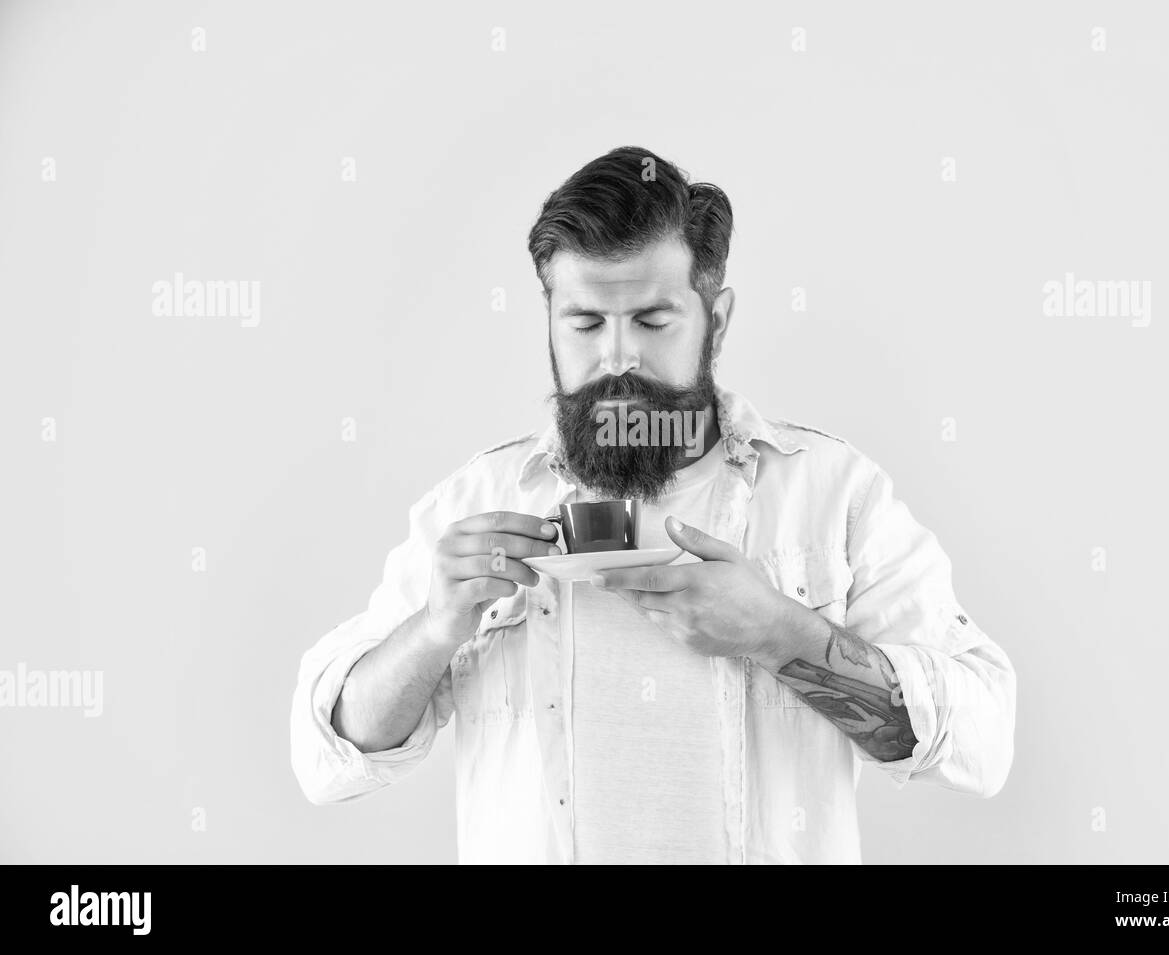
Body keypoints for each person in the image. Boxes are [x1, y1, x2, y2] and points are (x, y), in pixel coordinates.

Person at [290, 146, 1017, 864]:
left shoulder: (831, 493)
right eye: (585, 323)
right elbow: (327, 757)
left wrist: (779, 633)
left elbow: (984, 741)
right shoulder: (478, 501)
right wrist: (432, 629)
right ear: (549, 323)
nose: (617, 358)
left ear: (717, 321)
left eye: (651, 320)